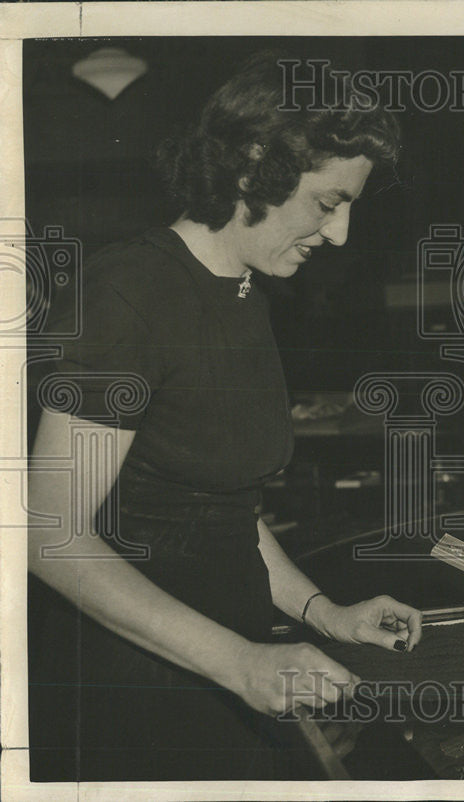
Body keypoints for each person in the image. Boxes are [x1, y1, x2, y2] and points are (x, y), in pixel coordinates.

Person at [28, 52, 422, 781]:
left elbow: (223, 513)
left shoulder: (248, 294)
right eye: (329, 202)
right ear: (253, 168)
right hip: (135, 693)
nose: (339, 236)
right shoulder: (128, 294)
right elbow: (48, 534)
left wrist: (323, 613)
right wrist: (238, 662)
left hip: (232, 669)